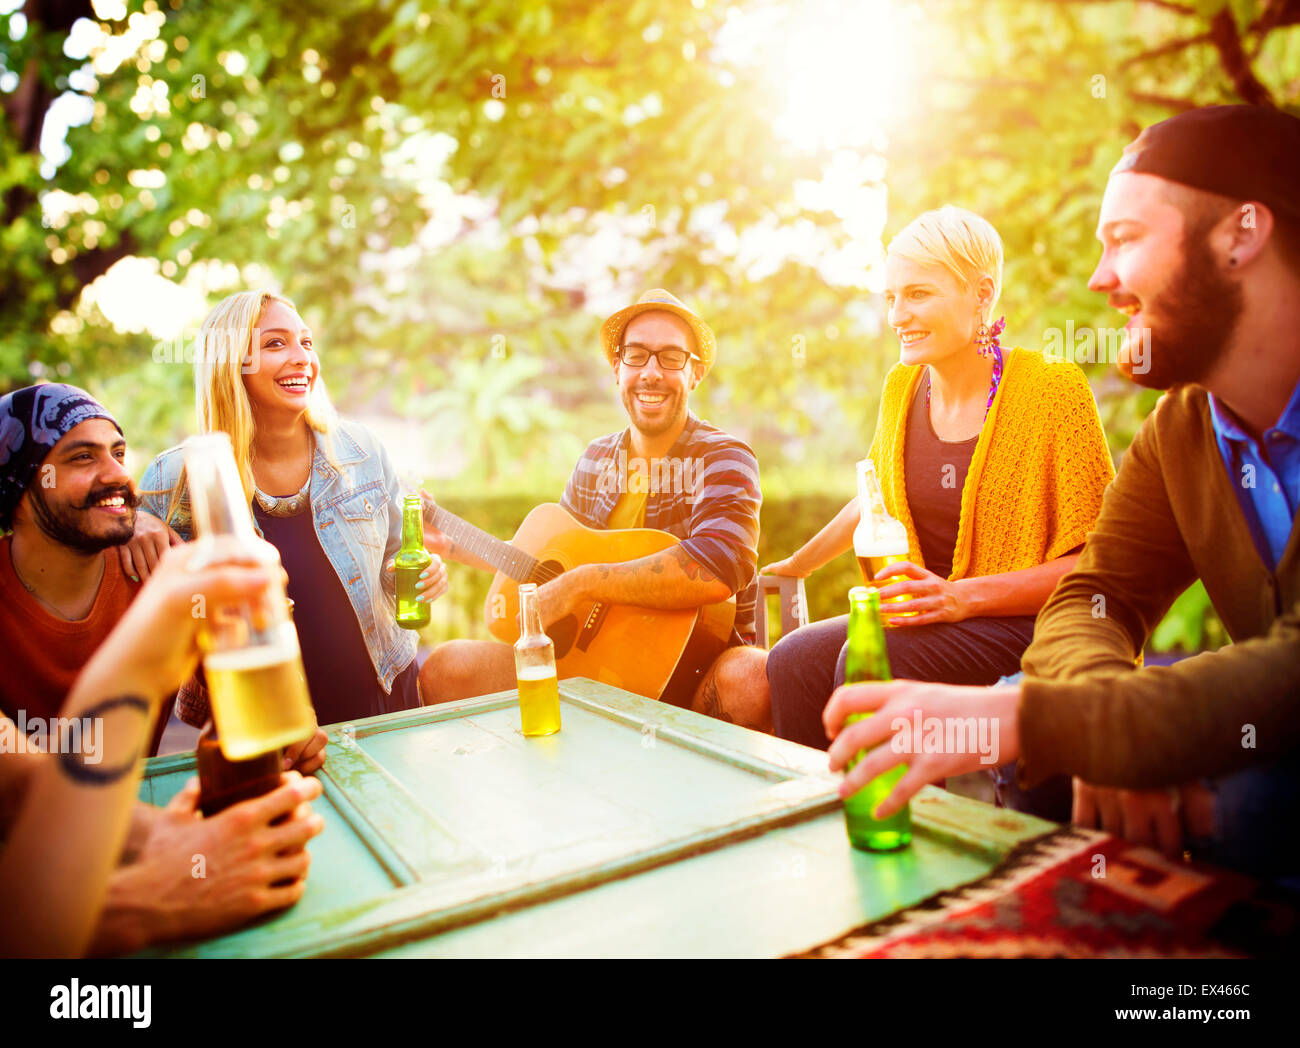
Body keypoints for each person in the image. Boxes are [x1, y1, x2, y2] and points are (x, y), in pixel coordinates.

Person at [824, 105, 1300, 883]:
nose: (1100, 279)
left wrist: (1072, 722)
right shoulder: (1184, 428)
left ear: (1241, 234)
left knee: (1241, 797)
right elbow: (1097, 592)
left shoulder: (1052, 392)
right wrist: (1097, 722)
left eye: (1127, 240)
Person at [749, 208, 1113, 762]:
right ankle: (820, 816)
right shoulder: (902, 387)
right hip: (935, 617)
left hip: (1027, 624)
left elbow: (1097, 565)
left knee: (877, 656)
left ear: (980, 293)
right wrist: (795, 565)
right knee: (793, 658)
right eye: (890, 297)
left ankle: (902, 824)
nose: (898, 315)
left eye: (918, 294)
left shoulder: (1053, 391)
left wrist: (960, 598)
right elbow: (876, 495)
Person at [418, 289, 763, 715]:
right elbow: (551, 566)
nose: (651, 372)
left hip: (694, 674)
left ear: (695, 374)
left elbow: (718, 565)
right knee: (445, 669)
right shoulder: (596, 459)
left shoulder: (725, 456)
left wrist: (584, 582)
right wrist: (449, 544)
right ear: (617, 368)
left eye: (671, 358)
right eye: (636, 355)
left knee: (751, 678)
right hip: (593, 671)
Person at [133, 290, 448, 729]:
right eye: (275, 344)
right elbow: (142, 607)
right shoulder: (176, 480)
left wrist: (420, 573)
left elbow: (394, 565)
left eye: (306, 342)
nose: (302, 357)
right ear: (231, 363)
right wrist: (132, 523)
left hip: (385, 705)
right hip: (267, 730)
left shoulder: (361, 451)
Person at [0, 542, 326, 958]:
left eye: (120, 469)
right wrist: (147, 899)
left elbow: (18, 785)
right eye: (77, 468)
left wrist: (196, 844)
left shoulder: (140, 562)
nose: (117, 481)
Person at [0, 383, 173, 754]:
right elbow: (15, 778)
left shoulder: (157, 574)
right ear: (18, 490)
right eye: (82, 457)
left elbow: (241, 697)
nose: (119, 475)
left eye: (119, 453)